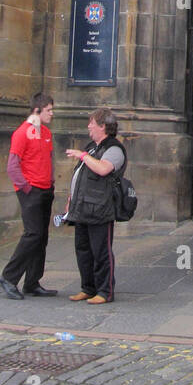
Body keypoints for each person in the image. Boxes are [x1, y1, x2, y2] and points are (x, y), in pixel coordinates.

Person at [63, 108, 127, 304]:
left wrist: (82, 156)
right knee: (83, 250)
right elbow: (80, 176)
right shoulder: (92, 147)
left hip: (100, 208)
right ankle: (88, 288)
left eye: (92, 122)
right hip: (82, 207)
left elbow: (103, 168)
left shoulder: (114, 149)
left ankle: (104, 291)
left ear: (103, 126)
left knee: (101, 252)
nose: (88, 126)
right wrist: (70, 200)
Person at [0, 93, 57, 300]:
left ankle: (32, 282)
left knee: (41, 237)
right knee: (32, 234)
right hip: (31, 190)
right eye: (48, 110)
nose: (52, 113)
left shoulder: (46, 133)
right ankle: (8, 277)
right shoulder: (22, 133)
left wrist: (50, 184)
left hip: (45, 189)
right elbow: (12, 166)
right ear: (37, 111)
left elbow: (47, 160)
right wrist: (26, 187)